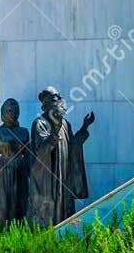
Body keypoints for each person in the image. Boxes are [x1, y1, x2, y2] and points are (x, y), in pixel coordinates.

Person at [26, 87, 94, 227]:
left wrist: (84, 127)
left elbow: (73, 146)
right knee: (49, 215)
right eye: (55, 98)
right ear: (46, 104)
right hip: (49, 178)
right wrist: (54, 133)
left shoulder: (65, 124)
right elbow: (40, 152)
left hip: (64, 176)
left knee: (65, 210)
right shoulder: (40, 123)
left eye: (59, 97)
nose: (59, 100)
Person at [0, 98, 29, 225]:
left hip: (20, 169)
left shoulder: (24, 132)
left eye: (15, 111)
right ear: (3, 112)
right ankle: (3, 230)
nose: (13, 113)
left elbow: (28, 156)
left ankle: (19, 229)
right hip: (3, 169)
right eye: (9, 111)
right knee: (4, 202)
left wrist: (34, 175)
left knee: (20, 201)